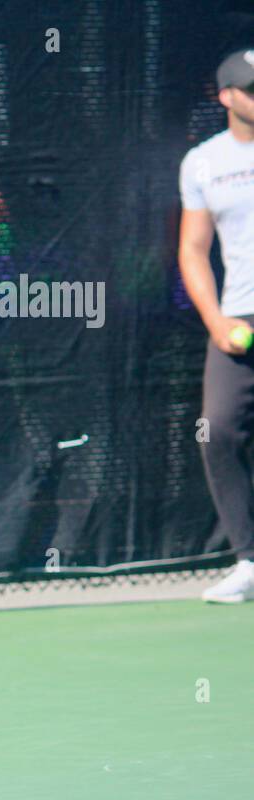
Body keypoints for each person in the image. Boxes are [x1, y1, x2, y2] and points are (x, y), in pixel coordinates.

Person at [179, 48, 254, 603]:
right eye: (251, 89)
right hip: (238, 316)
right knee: (219, 432)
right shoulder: (202, 162)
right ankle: (249, 559)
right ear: (227, 97)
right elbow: (193, 250)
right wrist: (217, 320)